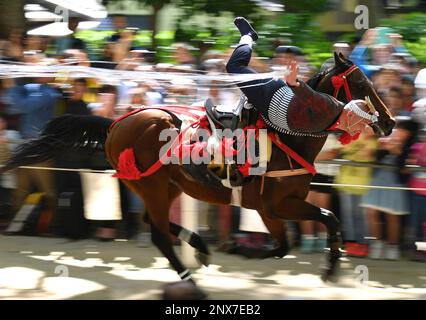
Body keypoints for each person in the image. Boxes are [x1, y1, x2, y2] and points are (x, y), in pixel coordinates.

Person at [226, 17, 376, 142]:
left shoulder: (342, 122)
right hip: (272, 98)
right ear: (350, 115)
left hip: (279, 115)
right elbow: (311, 97)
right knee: (234, 66)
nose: (362, 129)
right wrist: (295, 84)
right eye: (362, 124)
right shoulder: (331, 107)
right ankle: (248, 36)